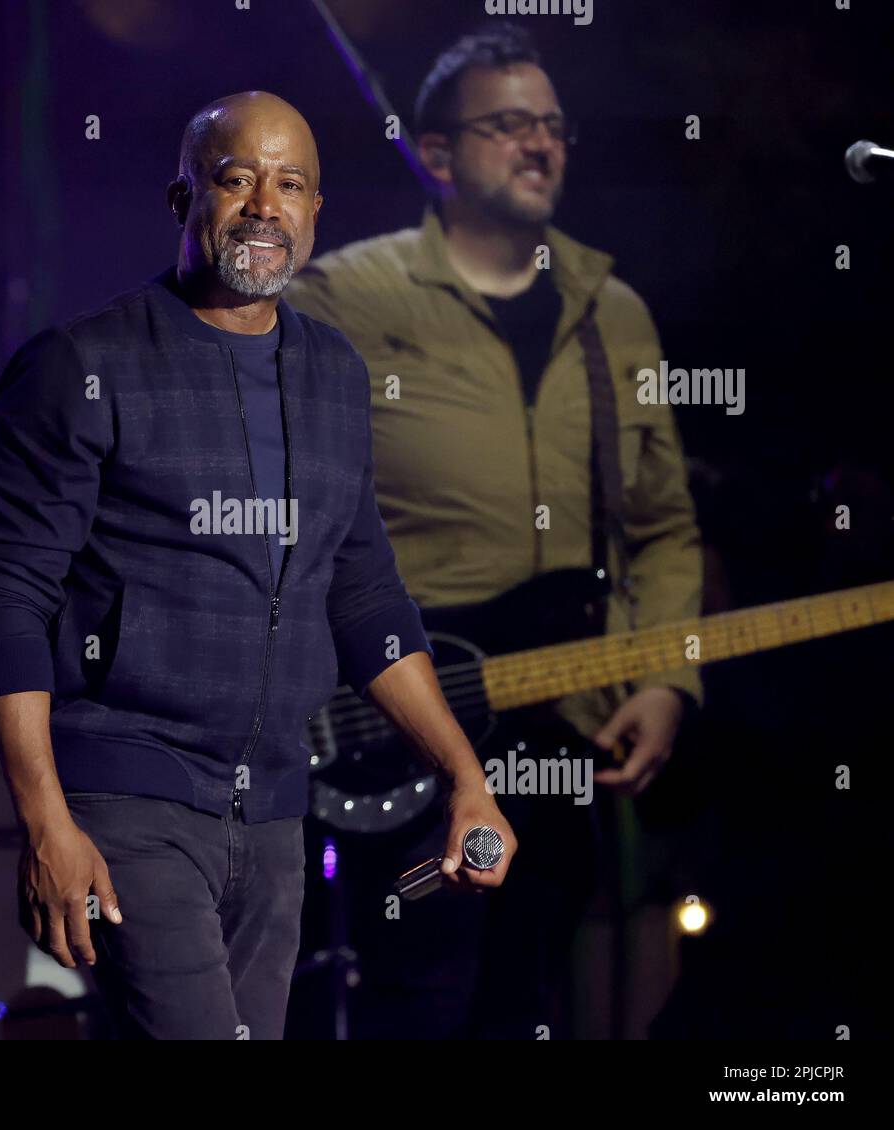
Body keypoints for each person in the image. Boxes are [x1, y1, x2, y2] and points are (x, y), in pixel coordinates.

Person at [0, 91, 516, 1040]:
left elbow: (365, 591)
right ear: (184, 201)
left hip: (274, 817)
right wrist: (45, 821)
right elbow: (8, 595)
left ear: (314, 215)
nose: (265, 203)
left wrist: (466, 775)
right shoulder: (82, 364)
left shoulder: (334, 374)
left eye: (290, 183)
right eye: (236, 178)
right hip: (129, 800)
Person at [284, 23, 703, 1037]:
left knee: (537, 1001)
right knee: (414, 1004)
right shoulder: (346, 296)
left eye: (553, 125)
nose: (539, 143)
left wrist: (665, 680)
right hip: (399, 727)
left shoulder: (615, 314)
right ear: (436, 155)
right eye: (508, 123)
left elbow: (662, 526)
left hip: (568, 725)